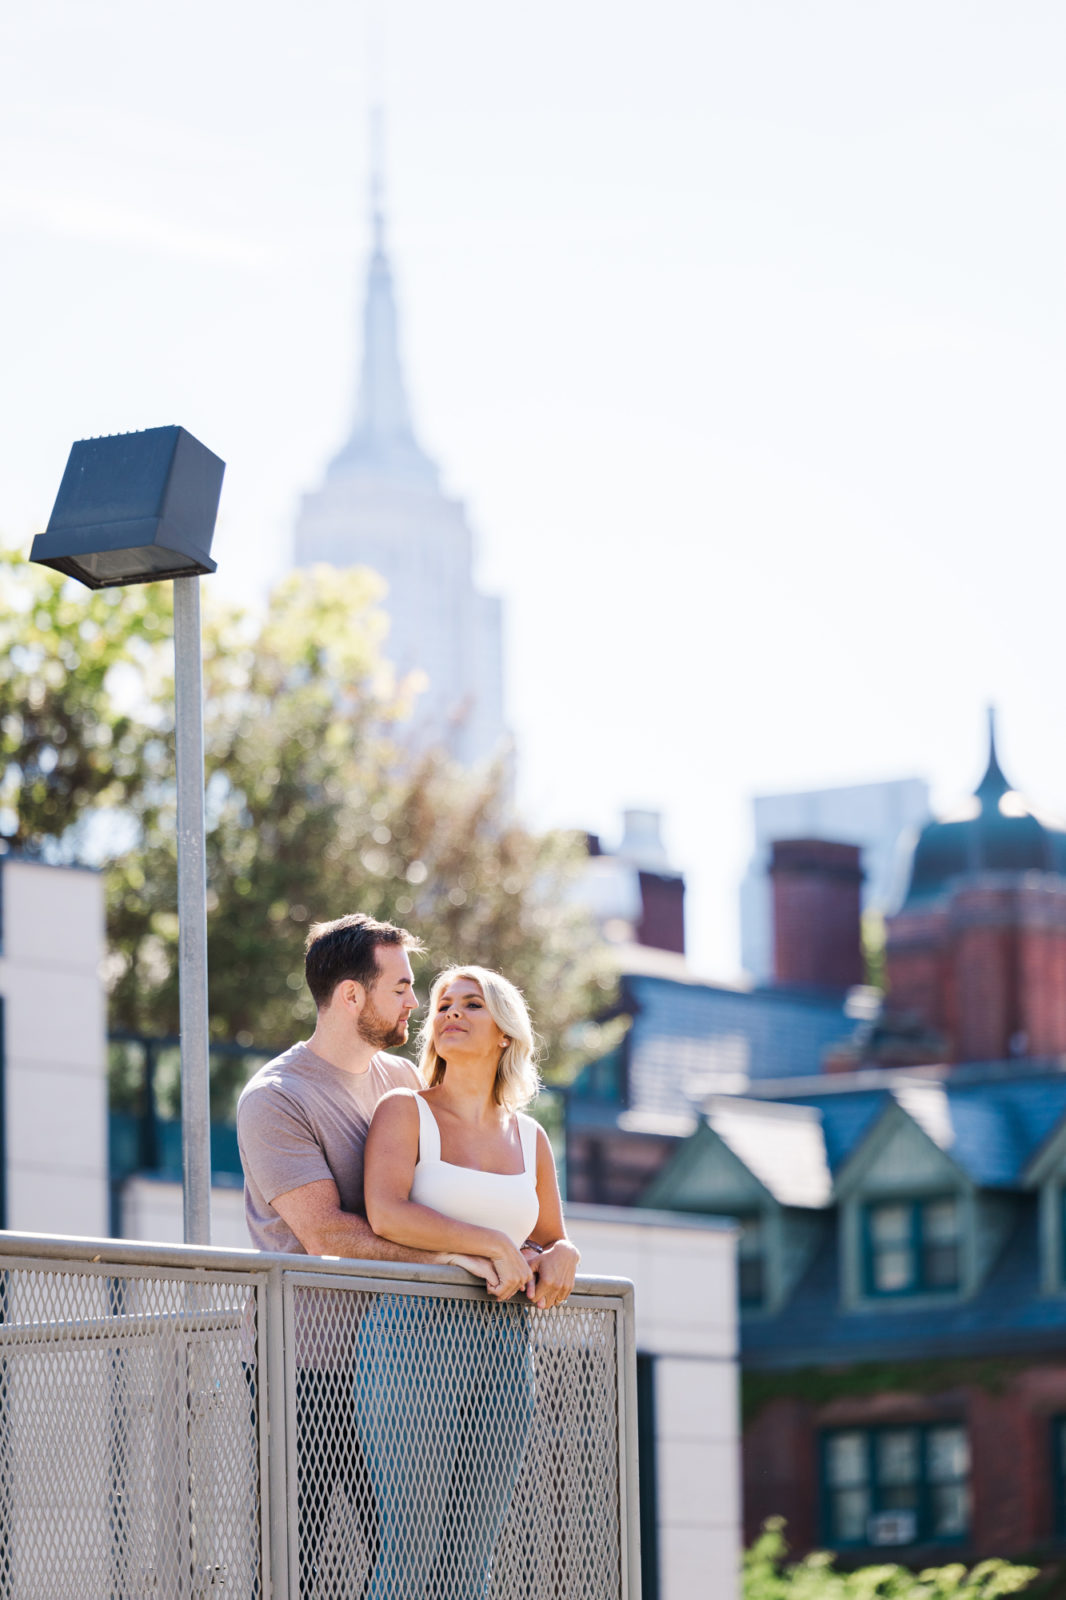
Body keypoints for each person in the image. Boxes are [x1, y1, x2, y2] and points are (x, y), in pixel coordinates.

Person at [236, 912, 495, 1596]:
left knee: (412, 1563)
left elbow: (453, 1197)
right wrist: (446, 1264)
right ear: (351, 996)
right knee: (290, 1565)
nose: (417, 1002)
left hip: (401, 1365)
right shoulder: (276, 1099)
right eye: (402, 987)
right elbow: (326, 1236)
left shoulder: (405, 1084)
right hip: (305, 1370)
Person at [356, 964, 579, 1599]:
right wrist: (488, 1243)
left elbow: (550, 1235)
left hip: (504, 1350)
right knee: (412, 1549)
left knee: (471, 1558)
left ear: (505, 1032)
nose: (450, 1012)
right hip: (409, 1340)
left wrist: (565, 1252)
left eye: (471, 1004)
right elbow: (387, 1212)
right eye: (443, 1004)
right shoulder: (405, 1110)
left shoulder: (531, 1137)